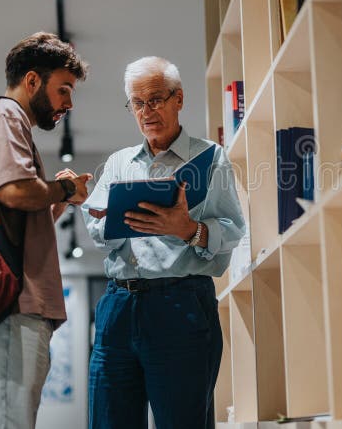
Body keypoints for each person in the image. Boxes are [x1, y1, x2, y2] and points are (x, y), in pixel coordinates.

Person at [82, 56, 246, 429]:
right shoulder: (119, 162)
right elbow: (96, 232)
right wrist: (102, 218)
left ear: (179, 99)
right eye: (137, 103)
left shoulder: (209, 158)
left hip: (181, 306)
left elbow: (233, 229)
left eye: (155, 99)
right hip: (117, 307)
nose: (146, 111)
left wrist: (188, 229)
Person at [0, 32, 91, 429]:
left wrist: (56, 202)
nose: (69, 102)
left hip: (11, 309)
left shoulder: (7, 121)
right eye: (63, 89)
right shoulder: (4, 114)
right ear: (32, 81)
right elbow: (14, 191)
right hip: (8, 310)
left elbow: (10, 217)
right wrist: (64, 187)